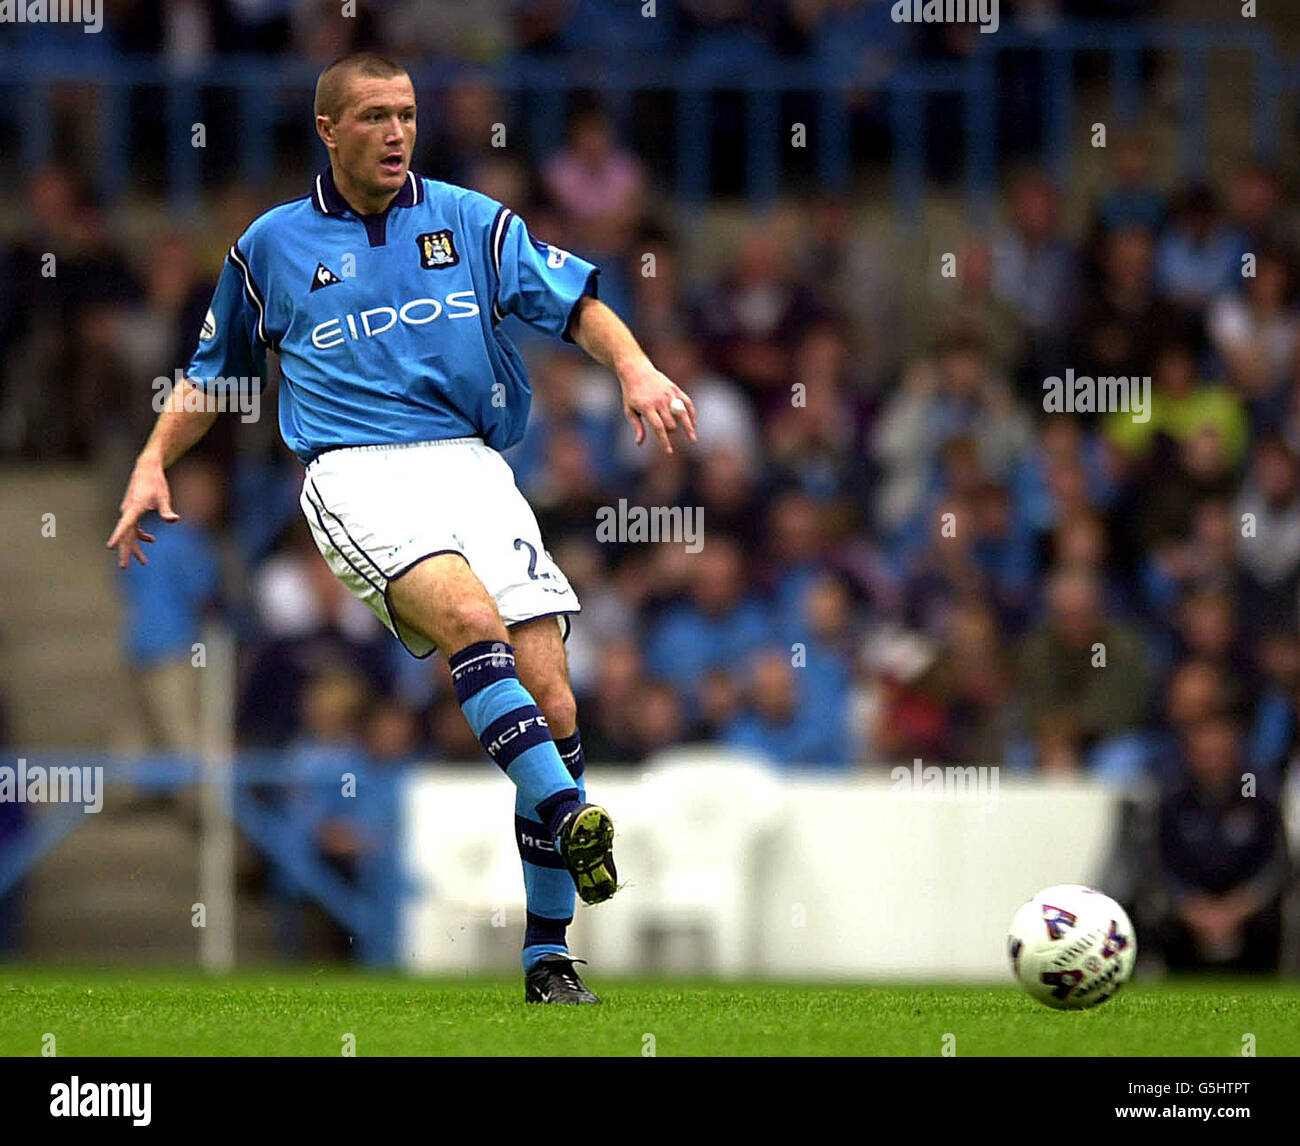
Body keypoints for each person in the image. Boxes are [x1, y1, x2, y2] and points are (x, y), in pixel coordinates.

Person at [108, 52, 697, 1005]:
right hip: (355, 471)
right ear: (329, 130)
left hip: (471, 462)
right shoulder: (270, 246)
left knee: (554, 702)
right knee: (469, 621)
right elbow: (214, 373)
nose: (396, 133)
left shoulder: (470, 220)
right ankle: (569, 808)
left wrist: (634, 368)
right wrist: (150, 461)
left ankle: (548, 959)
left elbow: (578, 301)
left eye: (409, 115)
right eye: (375, 116)